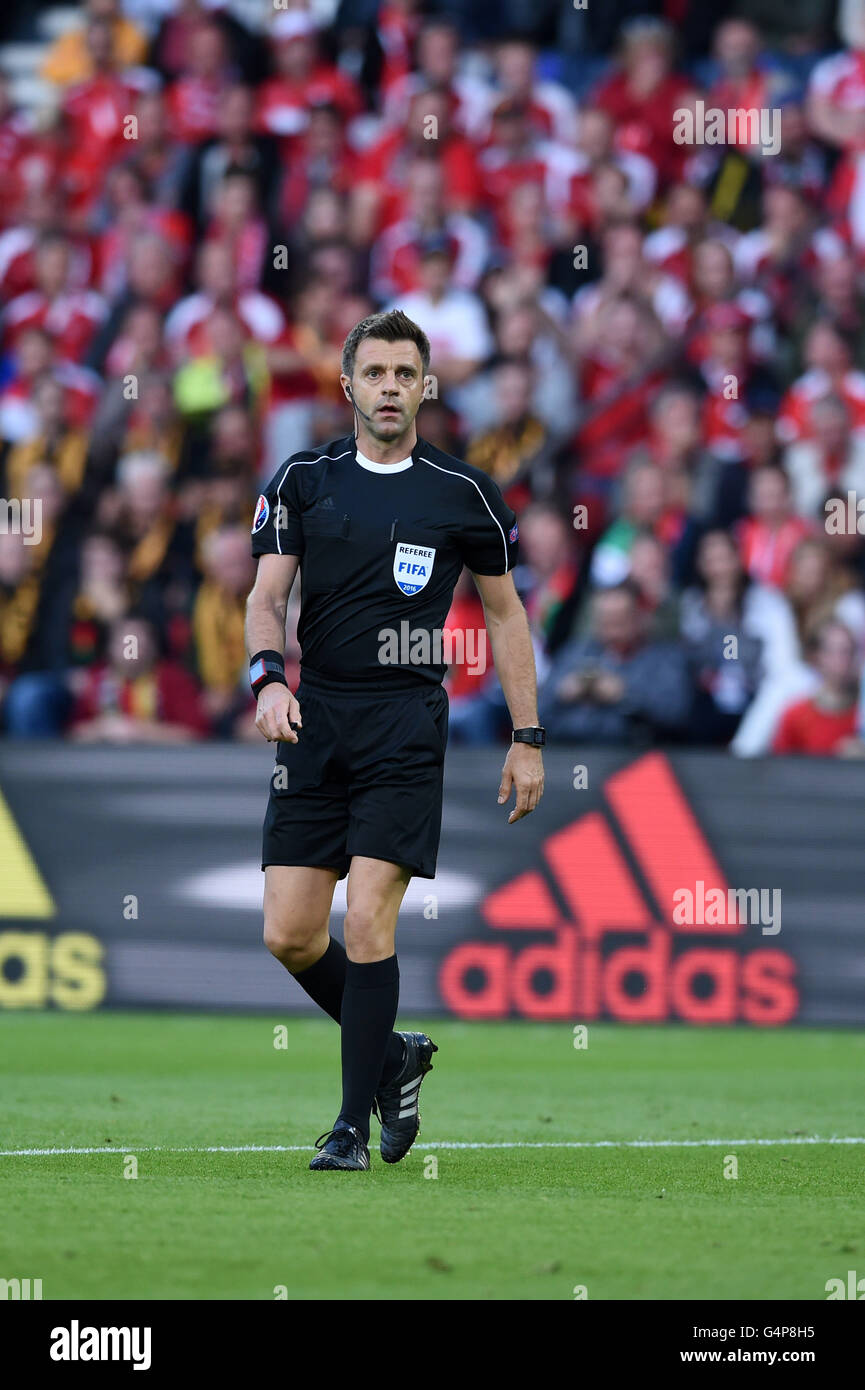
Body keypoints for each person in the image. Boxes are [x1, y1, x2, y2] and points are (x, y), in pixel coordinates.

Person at [245, 308, 544, 1171]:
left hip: (406, 724)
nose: (388, 388)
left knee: (369, 917)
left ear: (427, 386)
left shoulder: (464, 494)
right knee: (290, 935)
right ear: (347, 386)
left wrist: (527, 736)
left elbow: (505, 615)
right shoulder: (303, 476)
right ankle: (393, 1056)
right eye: (372, 374)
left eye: (403, 375)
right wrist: (267, 677)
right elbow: (265, 597)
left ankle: (347, 1128)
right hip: (316, 717)